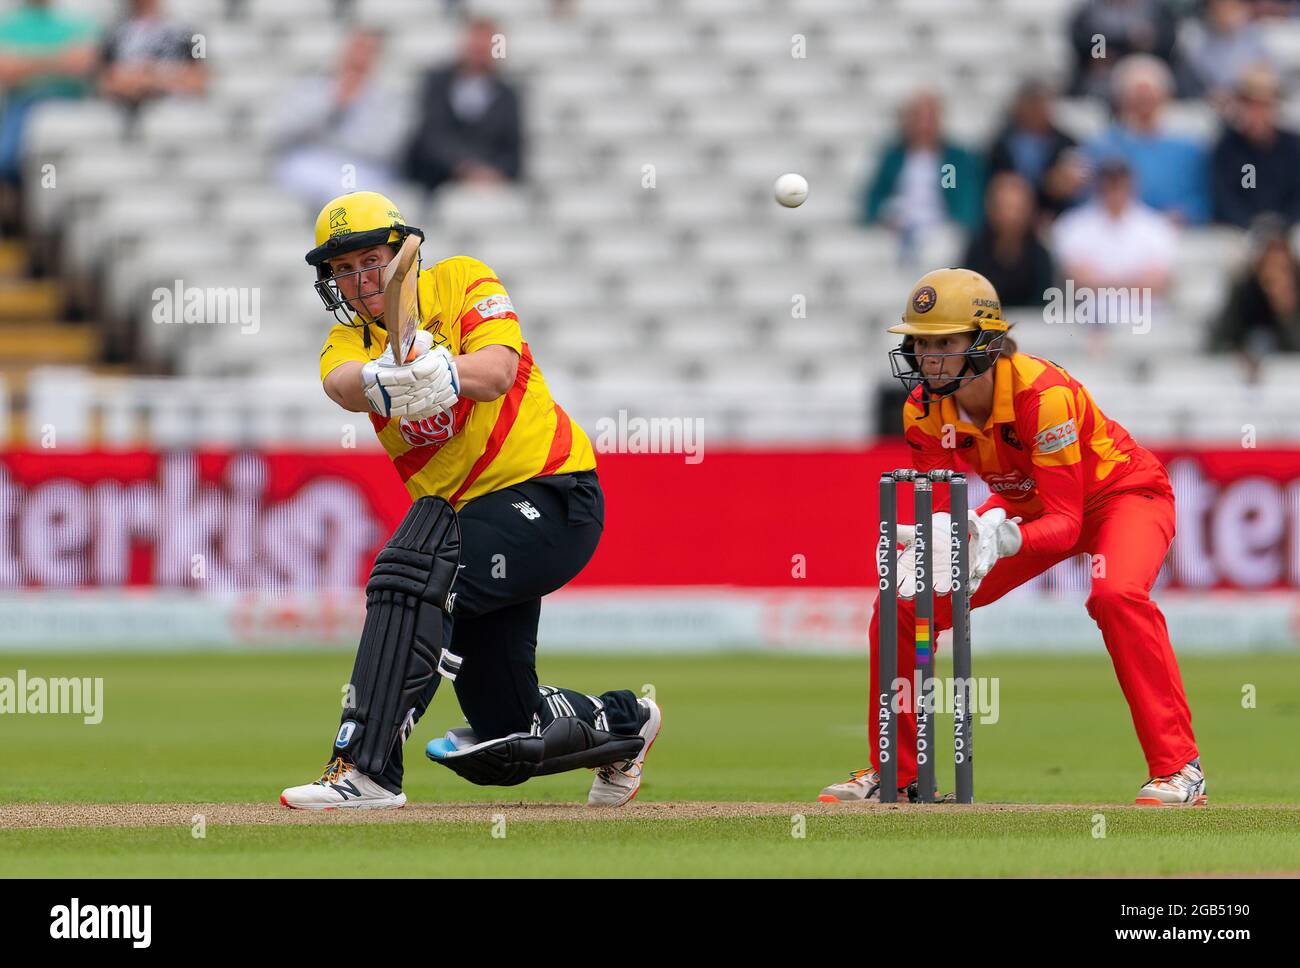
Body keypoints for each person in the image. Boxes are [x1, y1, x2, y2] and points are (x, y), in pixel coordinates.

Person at [280, 190, 660, 809]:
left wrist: (445, 371)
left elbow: (498, 370)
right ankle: (626, 725)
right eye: (342, 269)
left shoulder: (462, 280)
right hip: (467, 522)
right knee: (506, 739)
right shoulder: (349, 343)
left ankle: (366, 770)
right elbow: (341, 386)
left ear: (402, 255)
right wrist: (383, 379)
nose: (358, 279)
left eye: (370, 259)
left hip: (550, 493)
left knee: (411, 572)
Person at [819, 268, 1206, 806]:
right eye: (921, 343)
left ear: (984, 343)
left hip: (1122, 496)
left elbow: (1068, 521)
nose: (928, 359)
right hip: (1025, 506)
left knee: (1115, 595)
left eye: (945, 343)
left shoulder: (1041, 394)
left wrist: (997, 539)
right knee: (905, 609)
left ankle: (1179, 769)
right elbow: (935, 500)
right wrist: (932, 537)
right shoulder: (924, 407)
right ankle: (897, 773)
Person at [270, 27, 406, 211]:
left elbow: (388, 147)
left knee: (350, 189)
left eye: (367, 51)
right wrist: (334, 106)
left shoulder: (390, 98)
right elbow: (284, 133)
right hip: (313, 161)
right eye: (355, 49)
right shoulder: (311, 88)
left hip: (363, 167)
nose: (359, 58)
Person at [402, 17, 522, 194]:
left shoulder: (508, 96)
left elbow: (513, 152)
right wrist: (464, 167)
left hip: (488, 187)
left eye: (486, 45)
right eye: (475, 44)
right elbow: (430, 135)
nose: (479, 51)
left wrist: (489, 174)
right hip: (433, 183)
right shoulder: (436, 83)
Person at [1088, 54, 1211, 224]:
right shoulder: (1103, 147)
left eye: (1150, 95)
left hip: (1179, 234)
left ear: (1166, 96)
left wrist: (1183, 214)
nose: (1144, 103)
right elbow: (1090, 198)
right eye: (1137, 96)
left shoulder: (1190, 148)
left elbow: (1205, 197)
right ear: (1122, 99)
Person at [861, 88, 985, 248]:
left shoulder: (950, 161)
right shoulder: (894, 157)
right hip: (898, 229)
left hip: (939, 229)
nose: (923, 125)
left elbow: (955, 191)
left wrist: (955, 218)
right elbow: (879, 192)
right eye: (918, 117)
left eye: (928, 118)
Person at [1210, 65, 1300, 228]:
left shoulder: (1293, 146)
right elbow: (1224, 197)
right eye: (1251, 105)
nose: (1257, 112)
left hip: (1288, 230)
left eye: (1264, 105)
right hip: (1240, 231)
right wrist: (1249, 224)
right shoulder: (1227, 148)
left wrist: (1284, 224)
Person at [986, 80, 1086, 221]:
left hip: (1059, 214)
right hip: (1014, 214)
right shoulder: (1002, 143)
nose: (1037, 111)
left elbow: (1081, 173)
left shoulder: (1066, 142)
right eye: (1032, 104)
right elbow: (996, 179)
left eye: (1042, 105)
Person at [1208, 214, 1300, 355]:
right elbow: (1217, 342)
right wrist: (1240, 352)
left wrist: (1286, 310)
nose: (1273, 268)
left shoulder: (1296, 286)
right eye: (1267, 258)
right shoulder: (1245, 289)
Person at [960, 171, 1055, 308]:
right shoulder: (976, 250)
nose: (1011, 217)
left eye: (1018, 209)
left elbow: (1041, 305)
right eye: (1005, 207)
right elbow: (966, 298)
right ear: (991, 209)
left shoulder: (1040, 256)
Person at [98, 0, 205, 113]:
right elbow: (107, 82)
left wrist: (147, 79)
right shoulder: (115, 34)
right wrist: (169, 77)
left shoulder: (188, 33)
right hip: (130, 114)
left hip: (178, 114)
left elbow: (198, 80)